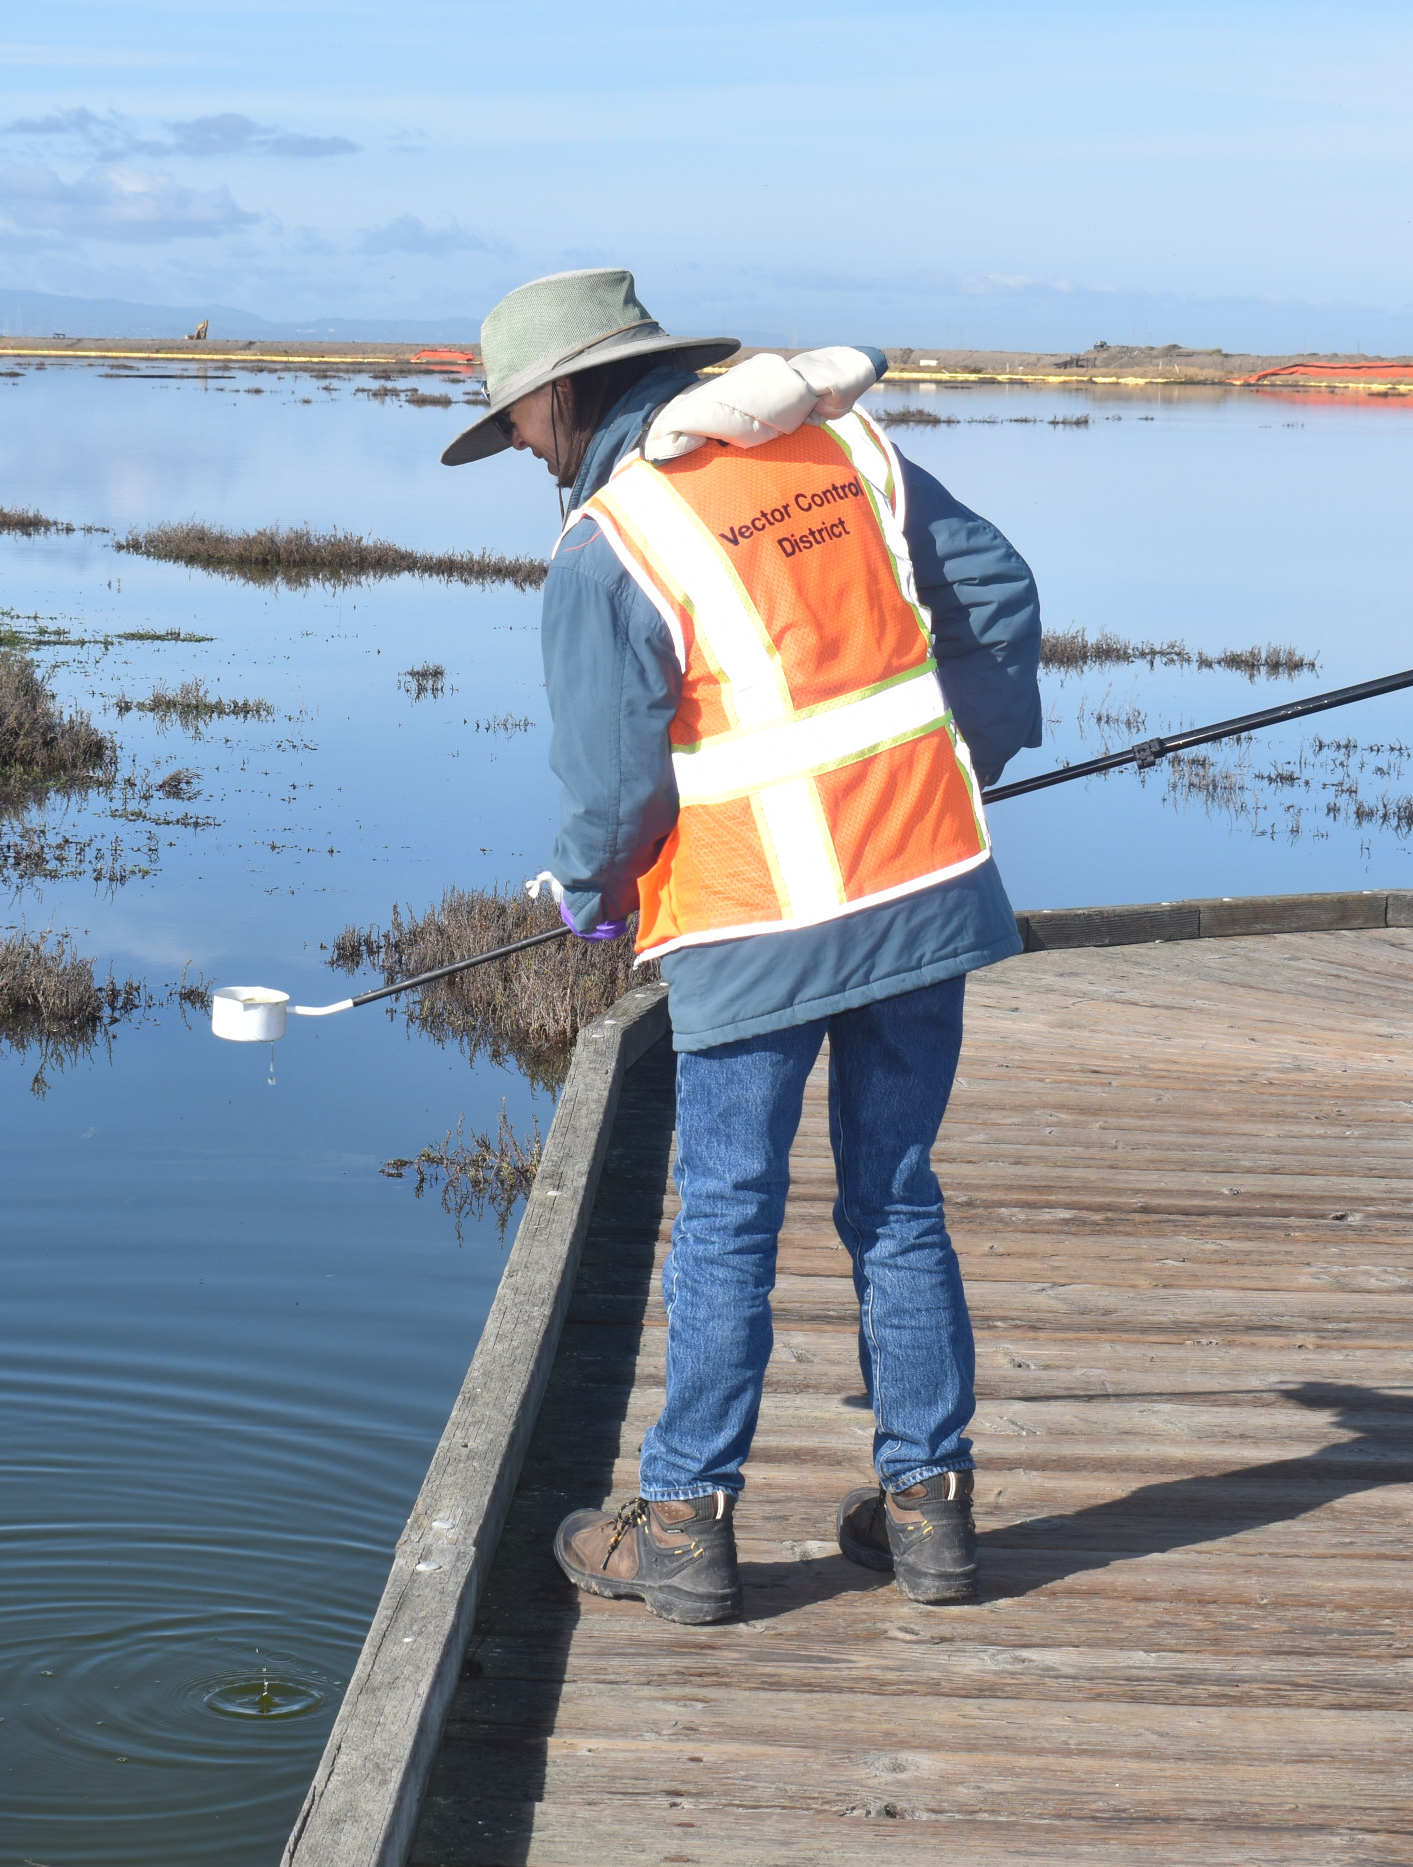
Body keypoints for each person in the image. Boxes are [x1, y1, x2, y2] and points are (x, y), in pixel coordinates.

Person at [441, 269, 1042, 1623]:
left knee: (726, 1217)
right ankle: (929, 1516)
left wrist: (588, 903)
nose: (523, 451)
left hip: (747, 928)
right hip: (921, 893)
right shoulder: (845, 448)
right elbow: (1000, 600)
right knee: (896, 1196)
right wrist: (961, 763)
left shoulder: (611, 543)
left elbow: (610, 798)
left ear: (560, 394)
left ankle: (686, 1528)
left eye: (518, 427)